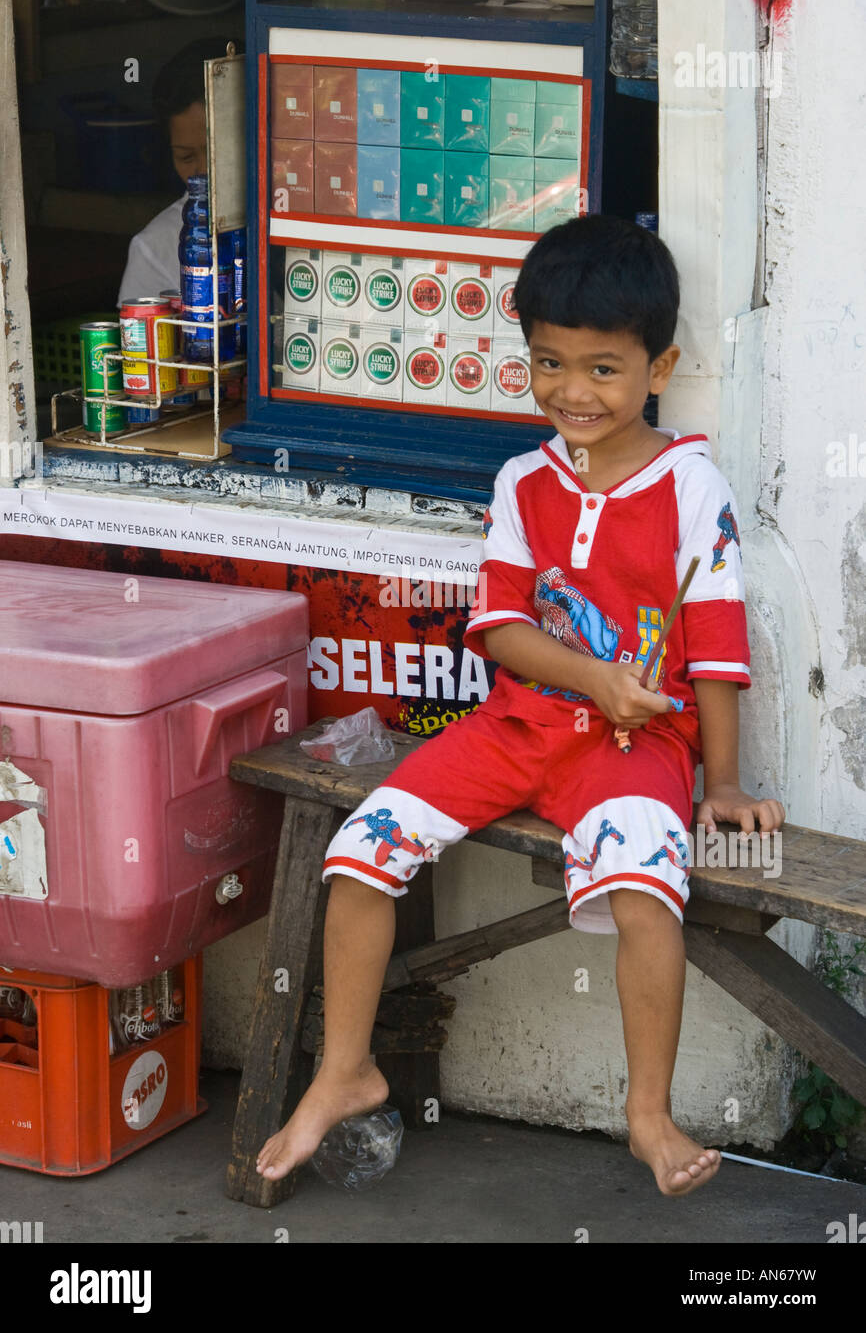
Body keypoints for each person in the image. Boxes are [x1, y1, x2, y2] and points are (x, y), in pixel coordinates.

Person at [256, 215, 786, 1199]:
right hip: (514, 730)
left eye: (602, 369)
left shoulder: (688, 485)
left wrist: (720, 782)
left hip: (634, 750)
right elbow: (499, 628)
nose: (572, 392)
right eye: (548, 362)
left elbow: (715, 645)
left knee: (644, 888)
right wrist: (589, 676)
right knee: (361, 848)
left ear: (657, 365)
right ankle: (344, 1069)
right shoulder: (521, 482)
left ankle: (647, 1112)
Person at [116, 37, 242, 305]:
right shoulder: (155, 248)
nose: (202, 171)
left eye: (216, 151)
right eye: (185, 156)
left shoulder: (289, 221)